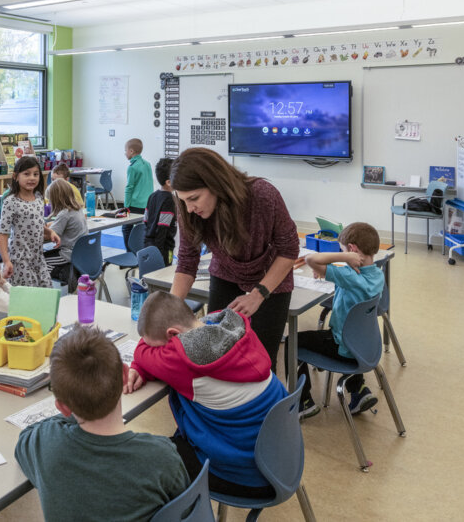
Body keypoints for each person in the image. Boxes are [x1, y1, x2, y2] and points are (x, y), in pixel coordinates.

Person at [16, 325, 188, 522]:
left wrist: (73, 405)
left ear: (62, 408)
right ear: (125, 374)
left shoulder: (45, 444)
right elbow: (184, 510)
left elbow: (25, 439)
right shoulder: (162, 457)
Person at [125, 291, 286, 498]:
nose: (159, 352)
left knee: (140, 459)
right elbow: (182, 331)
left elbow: (142, 353)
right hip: (278, 460)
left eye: (159, 347)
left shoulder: (186, 360)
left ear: (173, 336)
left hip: (246, 476)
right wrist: (142, 366)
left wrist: (142, 361)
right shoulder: (227, 324)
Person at [168, 147, 298, 366]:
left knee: (262, 359)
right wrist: (169, 310)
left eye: (194, 198)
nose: (189, 208)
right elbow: (187, 260)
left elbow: (289, 249)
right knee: (217, 352)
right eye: (183, 201)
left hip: (270, 274)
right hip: (226, 272)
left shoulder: (262, 195)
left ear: (215, 184)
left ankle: (263, 399)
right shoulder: (188, 208)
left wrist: (258, 294)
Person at [289, 221, 385, 417]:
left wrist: (342, 258)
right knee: (348, 335)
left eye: (343, 250)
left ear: (352, 250)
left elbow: (310, 259)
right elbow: (347, 274)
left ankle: (303, 401)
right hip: (364, 344)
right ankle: (358, 391)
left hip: (342, 347)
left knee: (292, 343)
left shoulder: (349, 277)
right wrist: (333, 267)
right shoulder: (377, 275)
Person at [0, 156, 60, 288]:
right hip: (20, 261)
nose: (32, 178)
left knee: (46, 296)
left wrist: (50, 232)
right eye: (26, 174)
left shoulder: (38, 198)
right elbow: (3, 234)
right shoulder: (11, 201)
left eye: (35, 174)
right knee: (27, 303)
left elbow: (37, 224)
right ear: (16, 176)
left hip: (38, 259)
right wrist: (6, 261)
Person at [44, 179, 87, 292]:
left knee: (41, 261)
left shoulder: (64, 214)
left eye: (50, 200)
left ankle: (63, 275)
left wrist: (37, 230)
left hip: (67, 254)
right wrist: (50, 224)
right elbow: (59, 225)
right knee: (46, 255)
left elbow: (50, 236)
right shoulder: (76, 209)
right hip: (80, 254)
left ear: (56, 199)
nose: (50, 203)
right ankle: (68, 271)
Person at [142, 157, 177, 264]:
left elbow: (146, 221)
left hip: (148, 244)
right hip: (164, 248)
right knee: (163, 275)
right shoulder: (169, 200)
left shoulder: (152, 196)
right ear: (169, 182)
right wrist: (159, 254)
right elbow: (162, 228)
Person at [122, 138, 153, 249]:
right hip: (147, 203)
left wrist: (126, 206)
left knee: (126, 228)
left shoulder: (132, 167)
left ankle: (129, 253)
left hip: (135, 204)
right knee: (142, 229)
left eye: (125, 150)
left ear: (131, 151)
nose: (125, 153)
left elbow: (129, 187)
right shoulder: (147, 164)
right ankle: (141, 252)